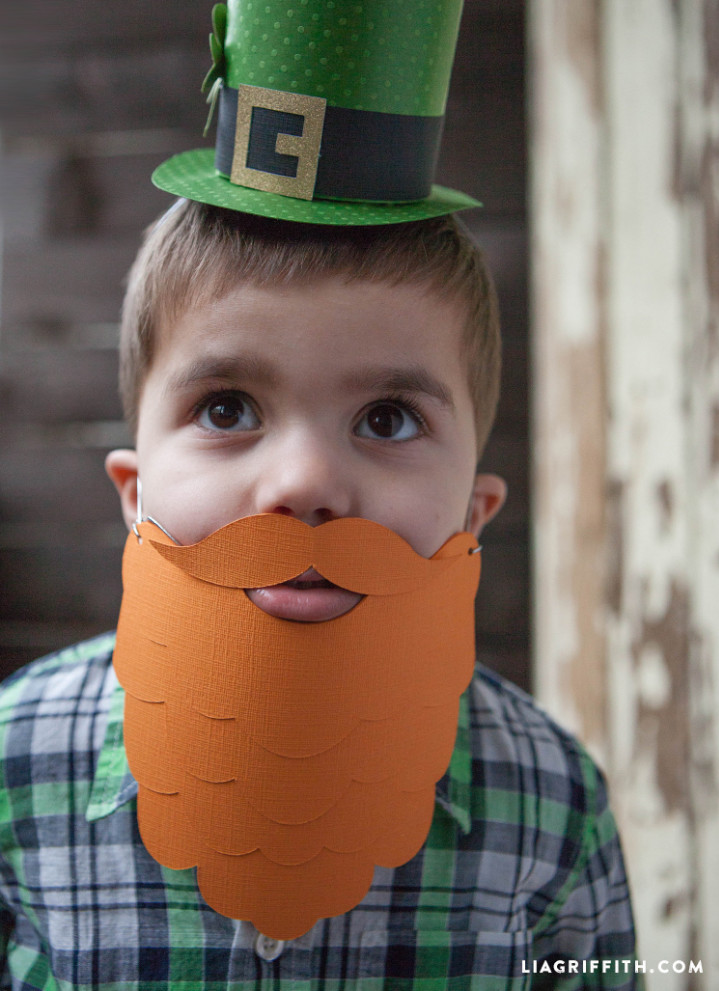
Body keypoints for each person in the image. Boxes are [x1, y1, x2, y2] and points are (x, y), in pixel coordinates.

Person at [0, 1, 641, 986]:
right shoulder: (13, 769)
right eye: (227, 408)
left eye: (386, 418)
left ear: (474, 514)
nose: (303, 481)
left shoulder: (554, 804)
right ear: (134, 492)